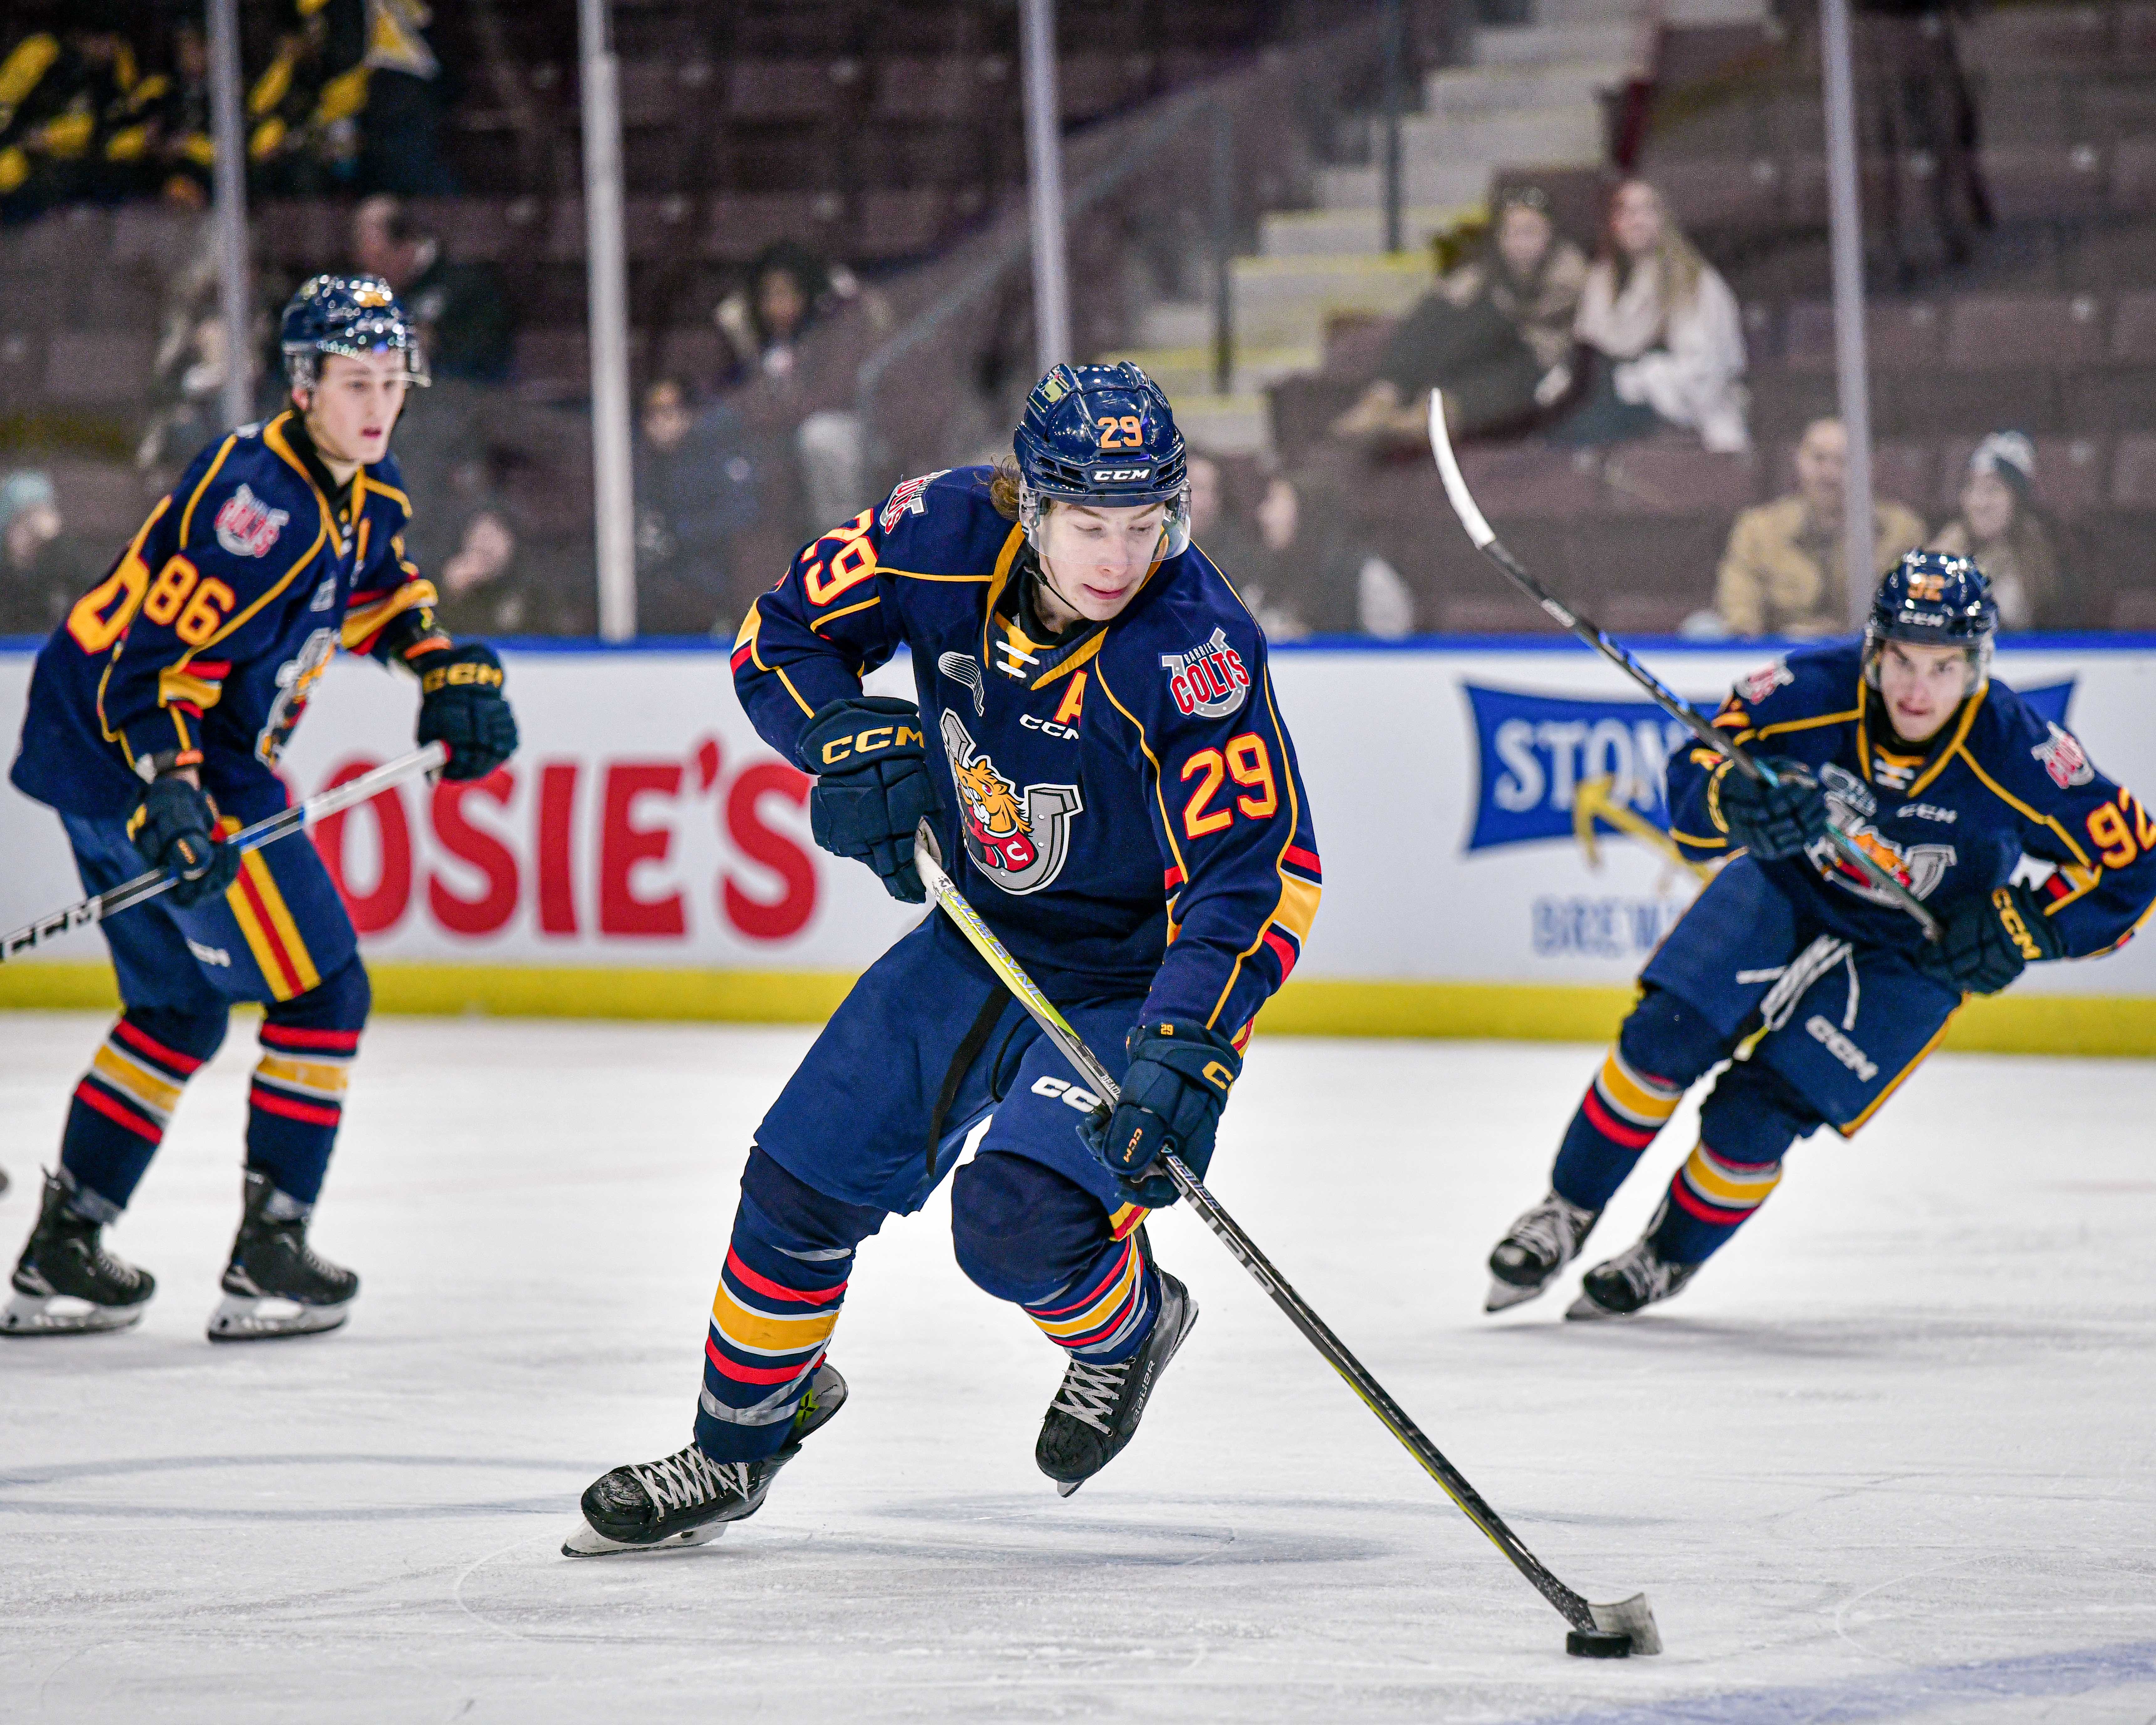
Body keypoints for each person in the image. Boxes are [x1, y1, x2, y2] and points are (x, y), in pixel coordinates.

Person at [564, 362, 1321, 1553]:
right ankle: (736, 1443)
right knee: (796, 1184)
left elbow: (1256, 873)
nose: (1117, 557)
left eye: (1144, 523)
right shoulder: (933, 531)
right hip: (982, 933)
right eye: (1087, 523)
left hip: (1137, 968)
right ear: (1029, 501)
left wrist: (1189, 1041)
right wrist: (836, 736)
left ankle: (1128, 1329)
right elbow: (780, 639)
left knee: (1016, 1217)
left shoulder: (1195, 647)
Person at [2, 275, 519, 1341]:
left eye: (392, 382)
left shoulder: (360, 489)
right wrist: (175, 792)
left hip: (93, 752)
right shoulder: (260, 507)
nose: (378, 406)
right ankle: (270, 1249)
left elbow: (374, 588)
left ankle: (64, 1244)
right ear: (303, 386)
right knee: (326, 992)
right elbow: (154, 670)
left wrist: (440, 666)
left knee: (178, 1010)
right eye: (354, 384)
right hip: (153, 755)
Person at [1482, 551, 2156, 1321]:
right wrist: (1732, 799)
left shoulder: (2019, 753)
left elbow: (2132, 867)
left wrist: (2023, 926)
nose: (1914, 689)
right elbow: (1695, 778)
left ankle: (1663, 1258)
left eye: (1941, 668)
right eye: (1900, 660)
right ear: (1872, 649)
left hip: (1917, 949)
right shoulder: (1806, 690)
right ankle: (1563, 1210)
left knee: (1754, 1121)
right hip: (1787, 886)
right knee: (1658, 1041)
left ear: (1976, 667)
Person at [1331, 187, 1588, 449]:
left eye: (1529, 232)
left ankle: (1434, 414)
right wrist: (1454, 299)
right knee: (1437, 310)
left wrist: (1493, 307)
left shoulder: (1570, 270)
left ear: (1550, 234)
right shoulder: (1490, 267)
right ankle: (1383, 397)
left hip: (1536, 365)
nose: (1519, 243)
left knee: (1491, 326)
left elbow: (1537, 325)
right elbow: (1447, 300)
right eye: (1510, 233)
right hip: (1482, 355)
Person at [1552, 179, 1749, 453]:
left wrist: (1636, 380)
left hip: (1672, 408)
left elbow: (1705, 370)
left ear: (1664, 218)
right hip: (1611, 404)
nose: (1636, 220)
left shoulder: (1694, 281)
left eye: (1647, 210)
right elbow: (1588, 350)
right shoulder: (1600, 279)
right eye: (1626, 212)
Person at [1715, 417, 1928, 638]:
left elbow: (1914, 616)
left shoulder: (1902, 530)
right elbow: (1739, 613)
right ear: (1798, 460)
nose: (1829, 474)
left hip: (1864, 656)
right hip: (1779, 655)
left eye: (1843, 461)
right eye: (1818, 459)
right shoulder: (1758, 530)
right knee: (1702, 628)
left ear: (1868, 466)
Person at [633, 377, 761, 636]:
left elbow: (744, 512)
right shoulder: (633, 465)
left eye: (668, 413)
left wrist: (679, 537)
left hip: (708, 578)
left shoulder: (713, 459)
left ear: (688, 416)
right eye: (651, 416)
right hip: (651, 586)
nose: (660, 424)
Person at [1929, 432, 2061, 632]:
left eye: (1993, 490)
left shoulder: (2041, 558)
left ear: (2018, 500)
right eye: (1973, 489)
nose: (1979, 504)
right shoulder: (1946, 550)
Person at [0, 471, 94, 636]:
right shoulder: (8, 569)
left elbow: (93, 589)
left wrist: (58, 540)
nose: (31, 532)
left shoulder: (57, 559)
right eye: (25, 521)